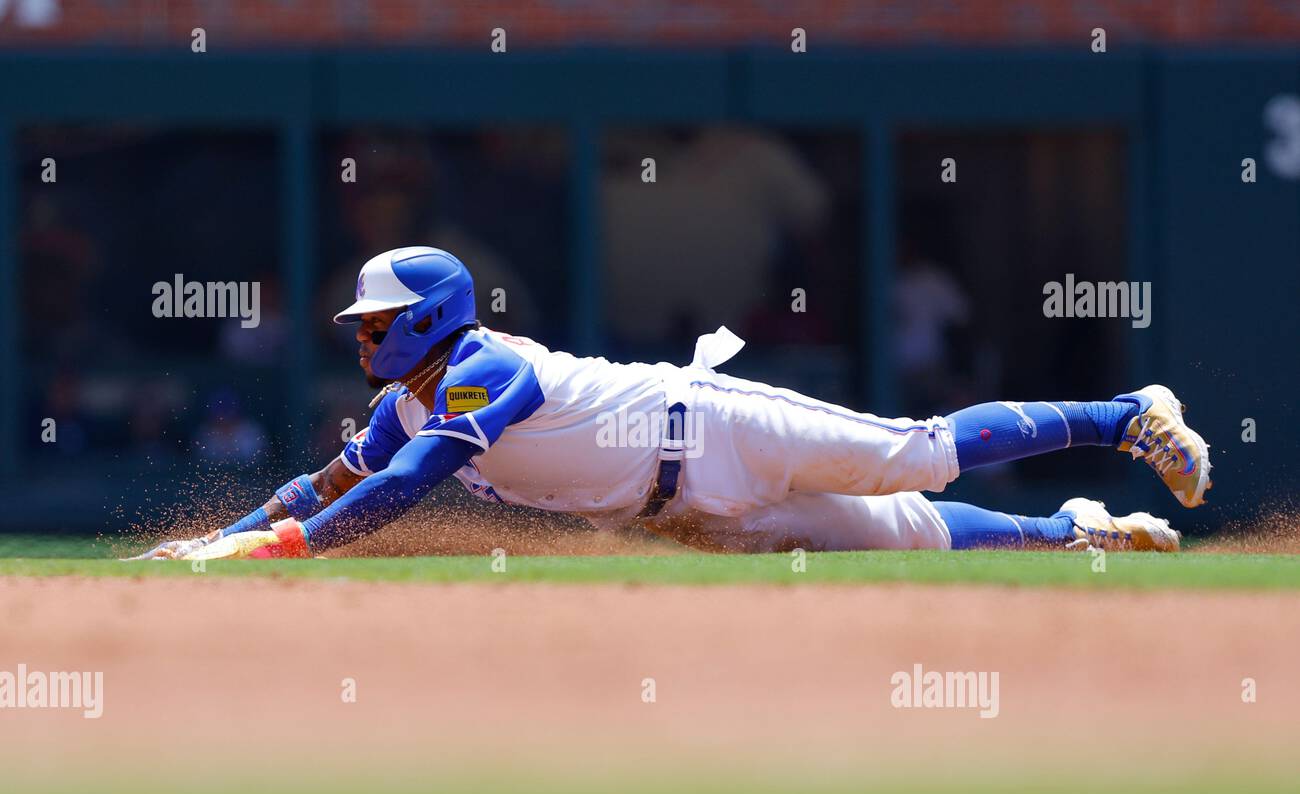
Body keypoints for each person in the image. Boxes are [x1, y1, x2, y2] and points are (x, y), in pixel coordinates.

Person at [133, 247, 1210, 561]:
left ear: (427, 318)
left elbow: (408, 485)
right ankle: (1073, 530)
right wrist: (209, 540)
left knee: (913, 458)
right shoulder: (398, 407)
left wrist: (292, 550)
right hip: (680, 513)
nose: (363, 335)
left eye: (377, 321)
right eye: (362, 326)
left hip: (708, 426)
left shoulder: (482, 368)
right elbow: (323, 482)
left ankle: (1123, 412)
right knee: (912, 535)